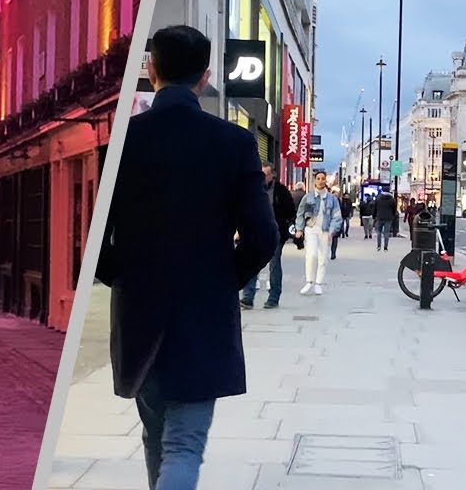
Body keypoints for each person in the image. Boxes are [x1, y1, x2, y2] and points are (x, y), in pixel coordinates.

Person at [96, 25, 277, 490]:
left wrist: (121, 275)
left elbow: (94, 236)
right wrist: (222, 280)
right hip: (203, 316)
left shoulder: (123, 141)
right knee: (184, 445)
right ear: (206, 76)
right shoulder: (235, 144)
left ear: (150, 69)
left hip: (140, 315)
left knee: (157, 434)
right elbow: (262, 237)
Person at [241, 162, 296, 310]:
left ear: (272, 175)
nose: (263, 177)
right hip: (254, 233)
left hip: (275, 234)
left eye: (266, 174)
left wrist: (284, 230)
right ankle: (248, 297)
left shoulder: (281, 191)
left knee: (274, 265)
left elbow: (290, 212)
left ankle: (273, 297)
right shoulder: (252, 190)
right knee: (252, 264)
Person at [295, 171, 343, 295]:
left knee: (323, 258)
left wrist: (332, 231)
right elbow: (300, 213)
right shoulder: (308, 197)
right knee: (311, 255)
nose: (321, 181)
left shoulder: (332, 199)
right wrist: (299, 229)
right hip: (311, 228)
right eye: (318, 178)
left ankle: (318, 283)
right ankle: (309, 281)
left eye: (323, 178)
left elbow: (337, 216)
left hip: (325, 230)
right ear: (315, 180)